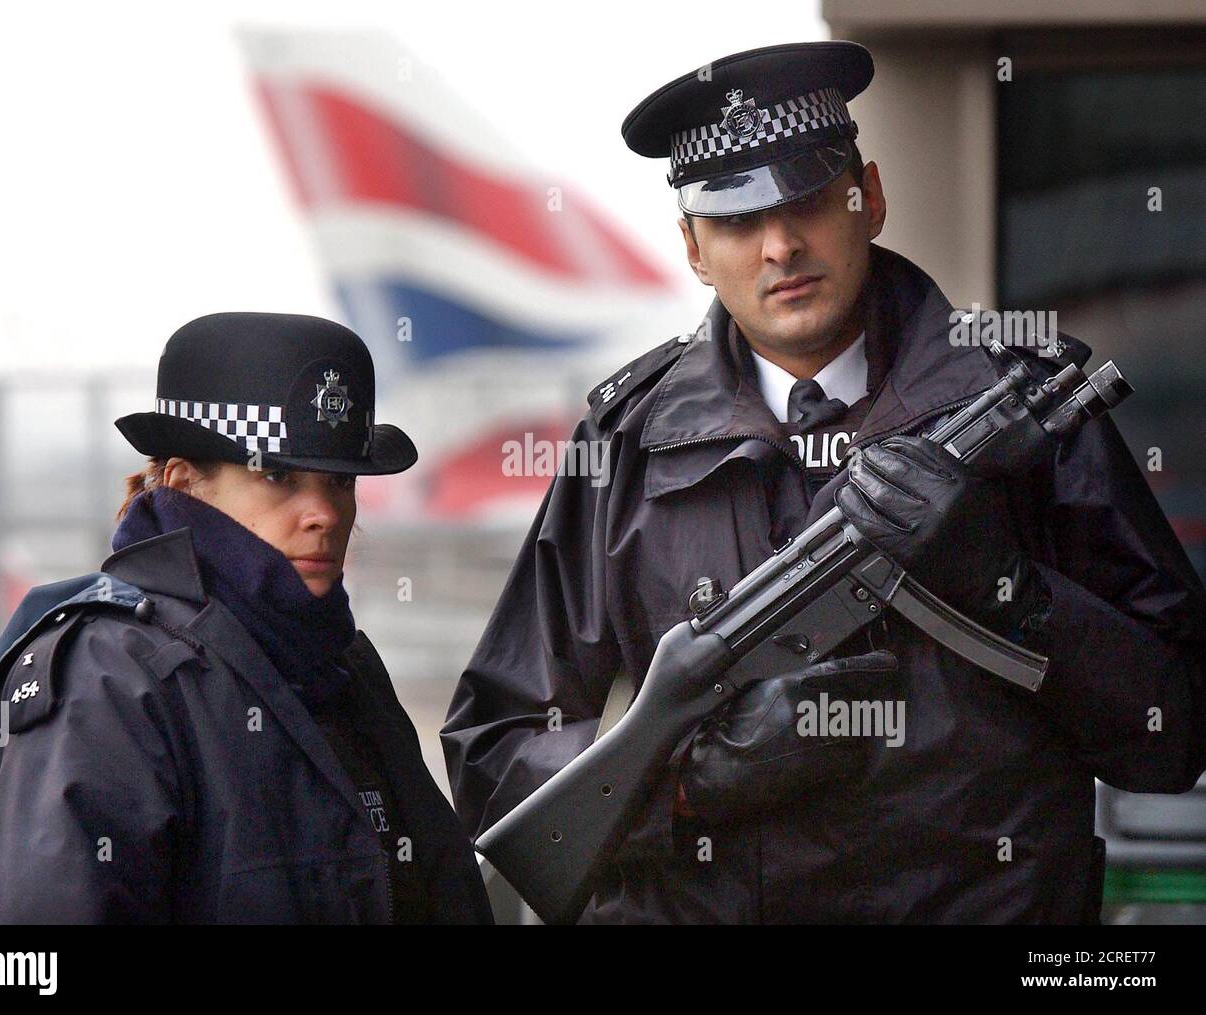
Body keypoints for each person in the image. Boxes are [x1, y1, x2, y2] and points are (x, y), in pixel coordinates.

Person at [441, 42, 1206, 923]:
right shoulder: (628, 449)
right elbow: (494, 748)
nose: (780, 245)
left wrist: (1013, 593)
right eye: (734, 221)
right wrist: (689, 777)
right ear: (692, 247)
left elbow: (1173, 732)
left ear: (868, 197)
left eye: (807, 197)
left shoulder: (1021, 415)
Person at [0, 312, 492, 924]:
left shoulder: (343, 666)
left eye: (339, 482)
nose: (325, 514)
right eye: (277, 476)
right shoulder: (111, 679)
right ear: (184, 483)